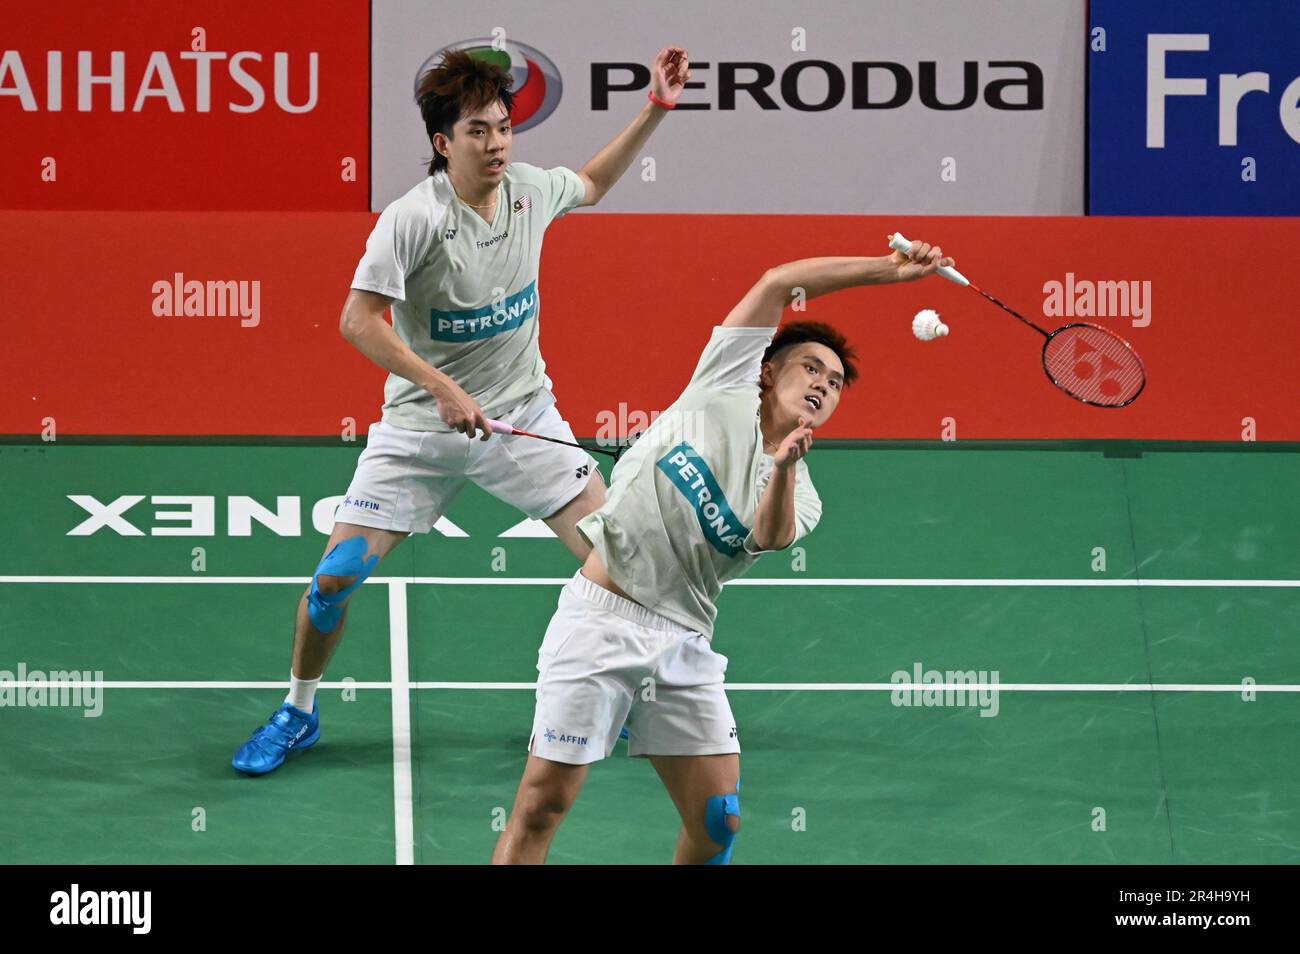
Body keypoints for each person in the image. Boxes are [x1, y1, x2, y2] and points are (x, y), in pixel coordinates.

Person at [233, 46, 692, 775]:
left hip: (522, 418)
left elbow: (595, 184)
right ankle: (298, 711)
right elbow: (359, 319)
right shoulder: (412, 221)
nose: (497, 143)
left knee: (619, 568)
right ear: (443, 143)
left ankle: (641, 703)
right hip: (420, 428)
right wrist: (439, 387)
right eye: (478, 131)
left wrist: (657, 107)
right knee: (332, 583)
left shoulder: (533, 191)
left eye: (504, 127)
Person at [492, 238, 956, 863]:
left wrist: (785, 467)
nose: (824, 383)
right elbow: (777, 281)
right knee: (541, 805)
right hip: (602, 618)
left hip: (684, 640)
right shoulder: (724, 382)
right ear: (768, 371)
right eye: (811, 368)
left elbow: (768, 535)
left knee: (719, 821)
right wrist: (887, 272)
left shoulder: (805, 496)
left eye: (836, 383)